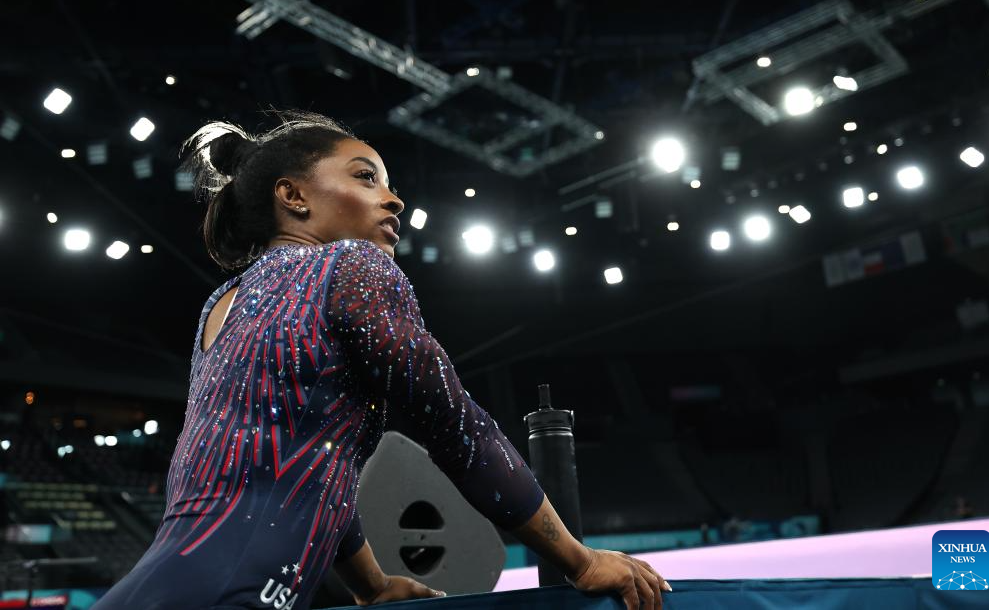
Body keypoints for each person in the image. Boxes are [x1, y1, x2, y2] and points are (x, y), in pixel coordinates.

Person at [90, 110, 670, 610]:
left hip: (155, 585)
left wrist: (368, 585)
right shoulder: (350, 267)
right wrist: (578, 560)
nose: (393, 199)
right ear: (292, 197)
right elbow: (456, 428)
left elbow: (295, 464)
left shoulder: (221, 303)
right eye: (366, 178)